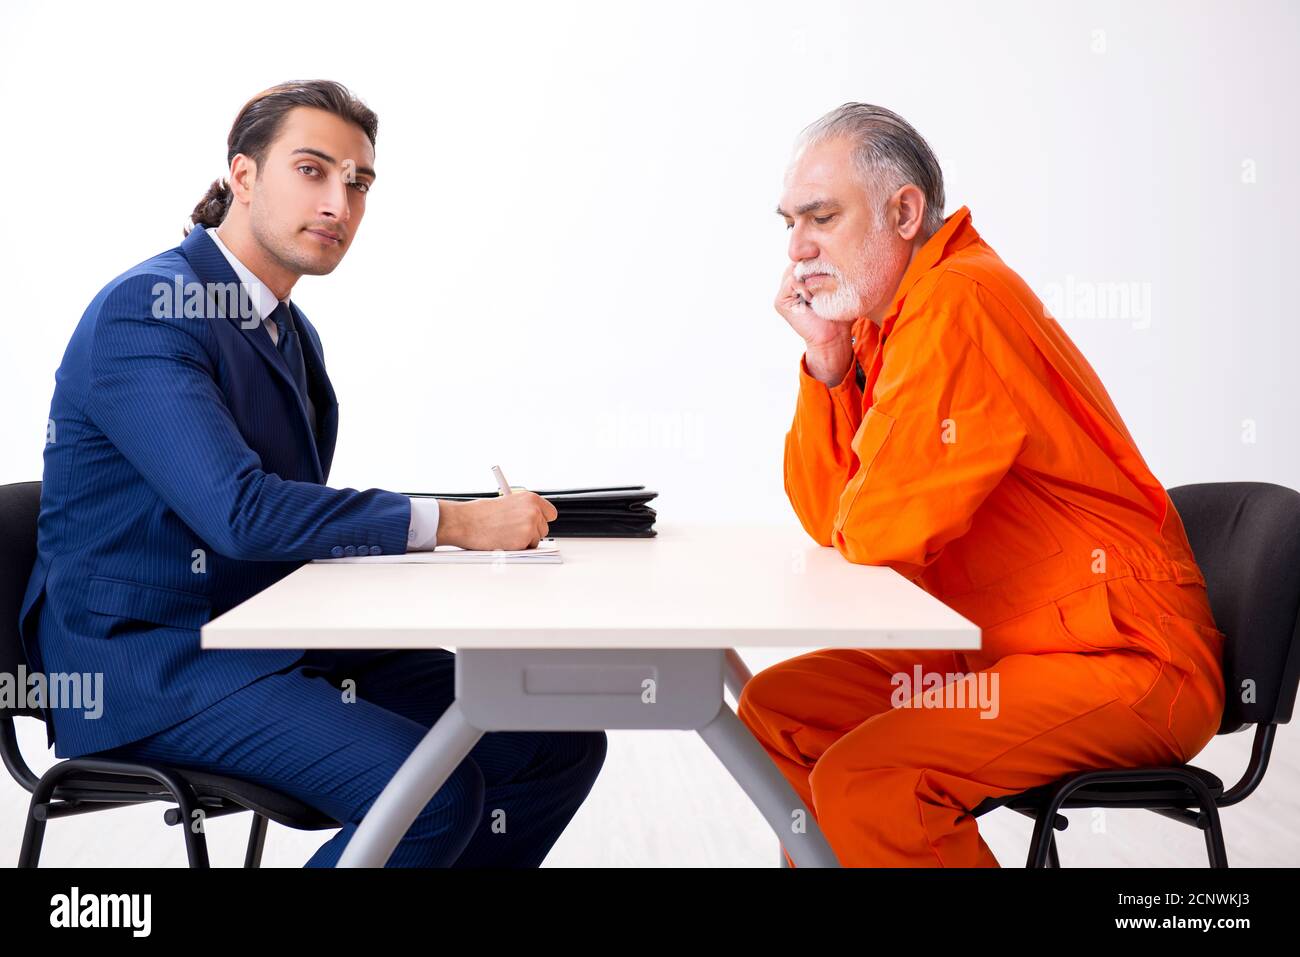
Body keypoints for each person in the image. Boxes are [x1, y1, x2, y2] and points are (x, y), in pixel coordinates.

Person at [17, 80, 605, 867]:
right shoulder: (150, 309)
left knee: (552, 741)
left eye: (359, 182)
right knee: (425, 795)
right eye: (313, 169)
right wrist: (454, 524)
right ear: (244, 175)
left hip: (271, 637)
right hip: (154, 665)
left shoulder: (288, 330)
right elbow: (245, 513)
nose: (340, 202)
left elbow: (288, 521)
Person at [737, 103, 1225, 867]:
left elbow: (872, 533)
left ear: (903, 211)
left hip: (1121, 660)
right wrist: (828, 363)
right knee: (778, 710)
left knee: (874, 779)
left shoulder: (956, 303)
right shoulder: (882, 323)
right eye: (789, 223)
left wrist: (855, 501)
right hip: (1000, 651)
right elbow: (827, 514)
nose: (797, 249)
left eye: (822, 218)